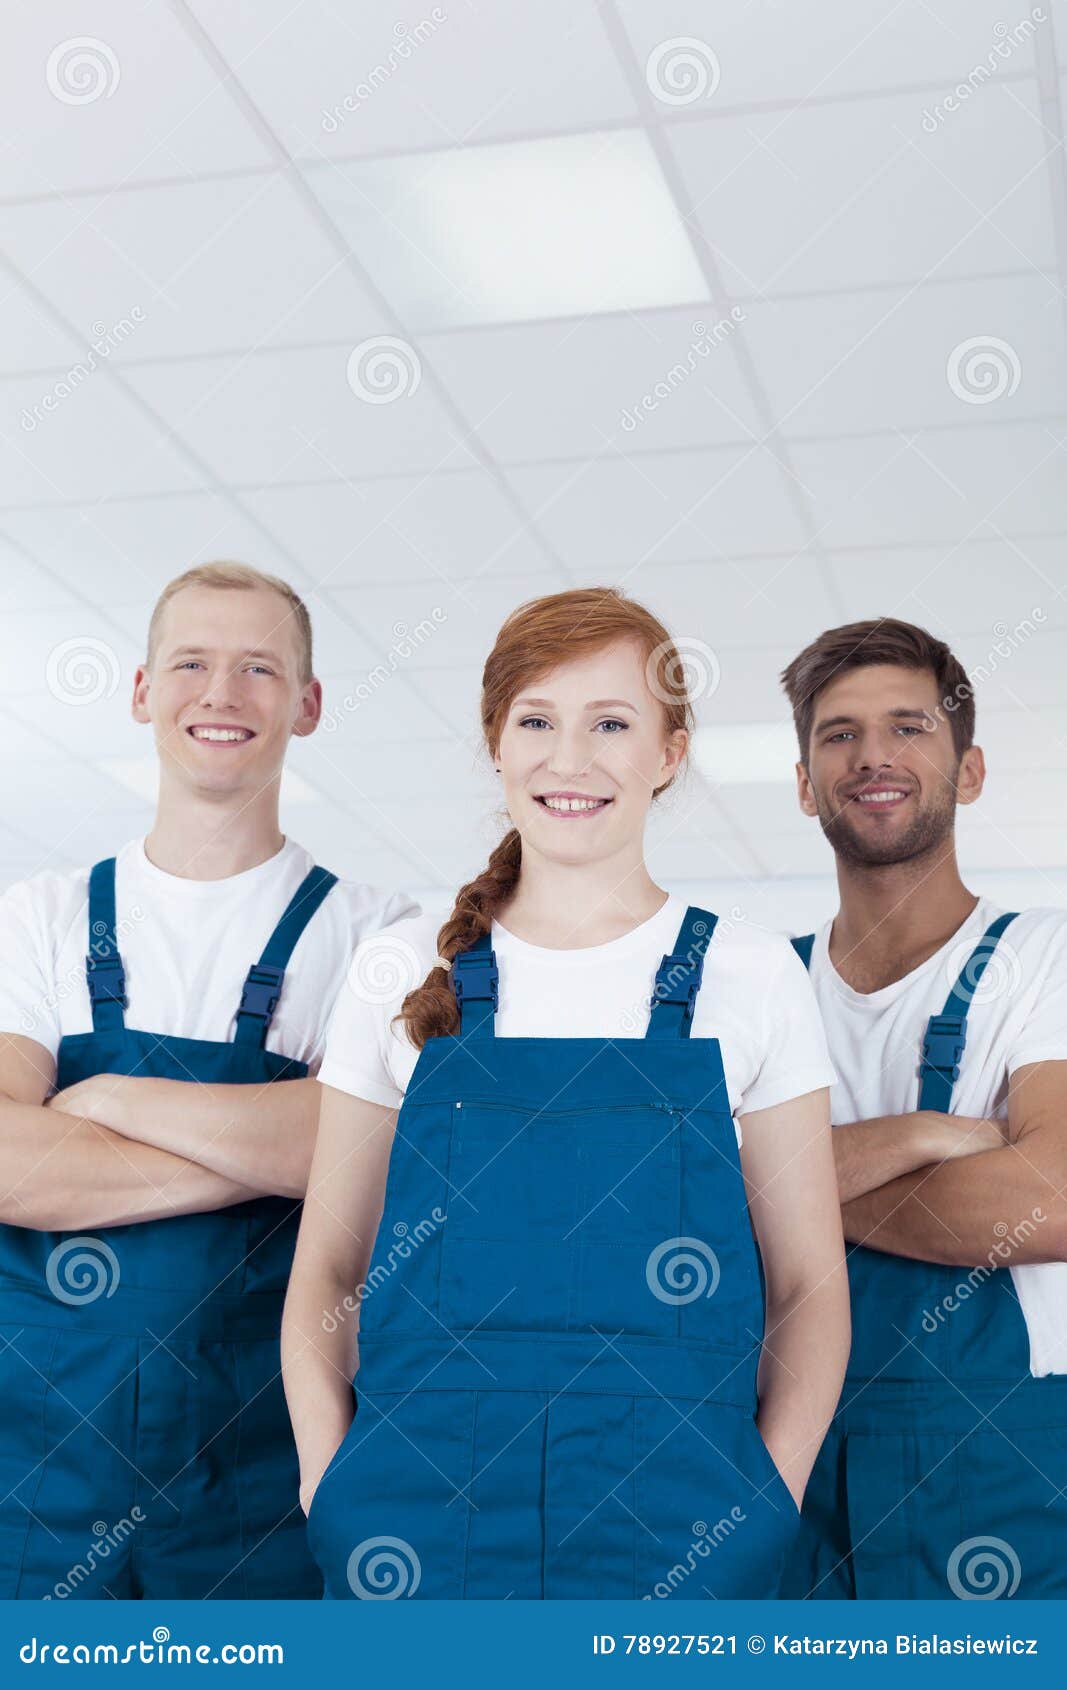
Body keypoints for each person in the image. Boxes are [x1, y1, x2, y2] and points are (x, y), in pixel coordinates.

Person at [283, 586, 849, 1600]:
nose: (569, 758)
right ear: (494, 743)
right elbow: (325, 1271)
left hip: (679, 1530)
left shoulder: (750, 974)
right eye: (536, 720)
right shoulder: (398, 968)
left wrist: (766, 1502)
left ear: (667, 753)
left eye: (611, 724)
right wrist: (330, 1489)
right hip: (413, 1531)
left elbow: (808, 1287)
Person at [0, 563, 417, 1600]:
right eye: (190, 662)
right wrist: (275, 1150)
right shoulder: (38, 917)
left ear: (306, 704)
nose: (220, 694)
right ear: (143, 689)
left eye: (258, 668)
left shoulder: (378, 934)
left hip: (259, 1482)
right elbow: (8, 1168)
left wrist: (106, 1103)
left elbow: (369, 1153)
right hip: (32, 1475)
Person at [779, 617, 1067, 1600]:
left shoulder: (1042, 958)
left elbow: (1051, 1198)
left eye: (907, 726)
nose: (871, 757)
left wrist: (764, 1186)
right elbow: (657, 1209)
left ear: (968, 769)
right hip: (783, 1461)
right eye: (836, 734)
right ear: (805, 782)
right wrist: (912, 1139)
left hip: (997, 1468)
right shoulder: (749, 985)